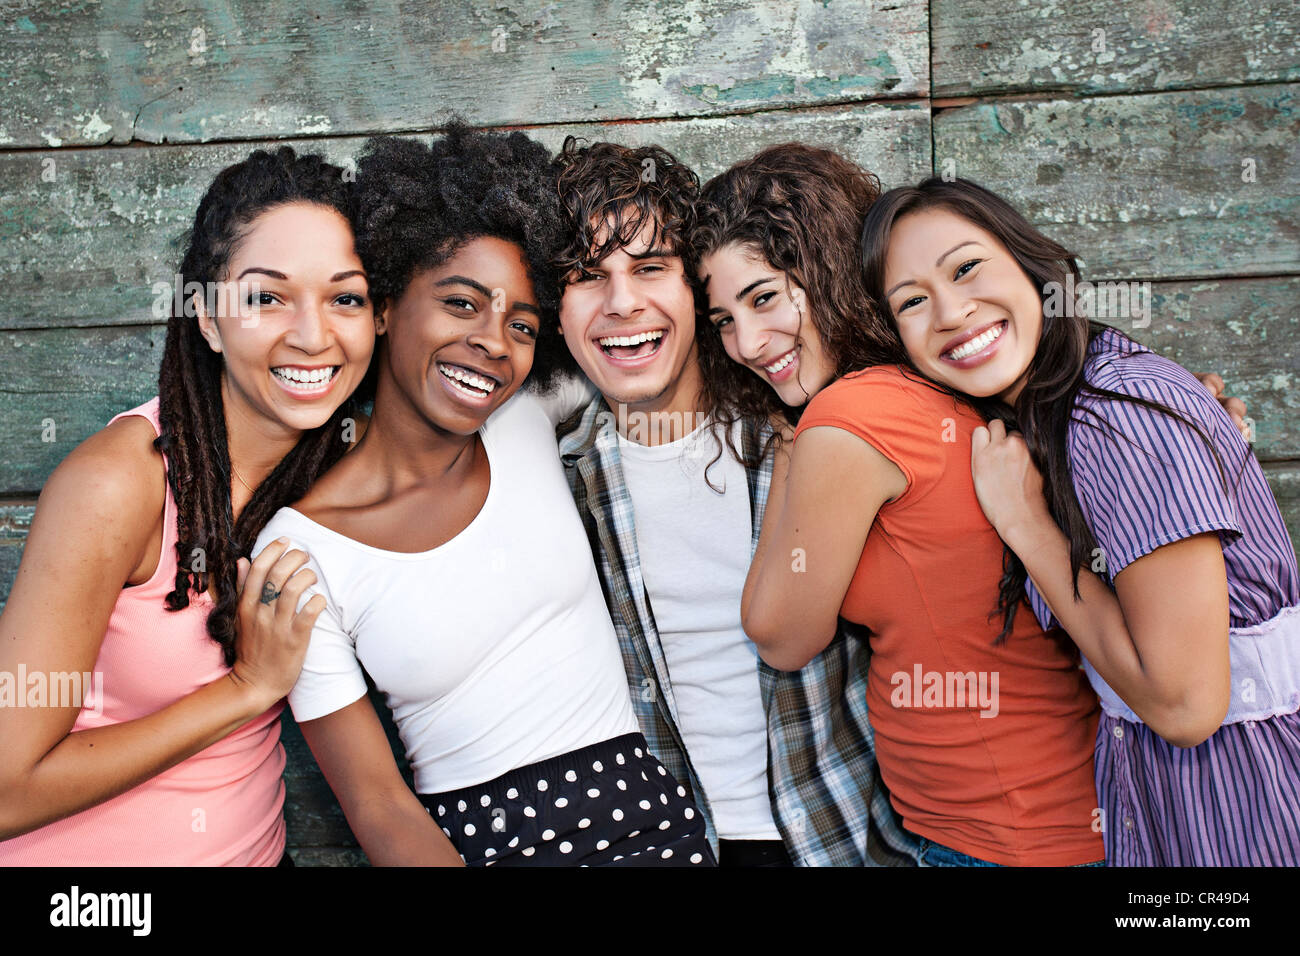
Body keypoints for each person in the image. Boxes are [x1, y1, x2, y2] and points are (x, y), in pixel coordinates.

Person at [253, 127, 713, 867]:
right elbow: (377, 803)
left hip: (659, 833)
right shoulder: (297, 553)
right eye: (462, 305)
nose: (496, 343)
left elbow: (649, 344)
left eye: (520, 323)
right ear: (384, 305)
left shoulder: (525, 415)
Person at [860, 176, 1300, 866]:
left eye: (967, 267)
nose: (949, 311)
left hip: (1242, 805)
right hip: (1154, 804)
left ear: (1031, 267)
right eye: (912, 302)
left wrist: (1027, 527)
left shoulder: (1119, 413)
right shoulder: (1053, 413)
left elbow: (1186, 709)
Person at [695, 143, 1107, 866]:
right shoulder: (931, 384)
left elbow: (780, 633)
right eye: (723, 319)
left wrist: (794, 451)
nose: (748, 343)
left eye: (764, 298)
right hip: (1040, 813)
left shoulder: (849, 417)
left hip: (1003, 835)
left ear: (823, 270)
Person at [0, 146, 377, 865]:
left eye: (345, 297)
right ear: (206, 318)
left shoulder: (340, 469)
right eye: (266, 297)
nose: (312, 334)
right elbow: (5, 790)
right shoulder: (121, 483)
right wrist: (246, 689)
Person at [547, 137, 916, 866]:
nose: (623, 302)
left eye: (651, 268)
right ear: (555, 309)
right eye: (588, 277)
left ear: (695, 288)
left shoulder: (804, 426)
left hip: (854, 838)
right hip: (684, 848)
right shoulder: (552, 479)